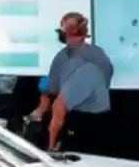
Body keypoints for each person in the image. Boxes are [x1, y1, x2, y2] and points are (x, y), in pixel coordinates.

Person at [28, 12, 114, 153]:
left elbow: (59, 105)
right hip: (72, 120)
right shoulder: (62, 57)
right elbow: (50, 88)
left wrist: (51, 147)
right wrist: (40, 109)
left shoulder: (92, 62)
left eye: (63, 30)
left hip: (88, 124)